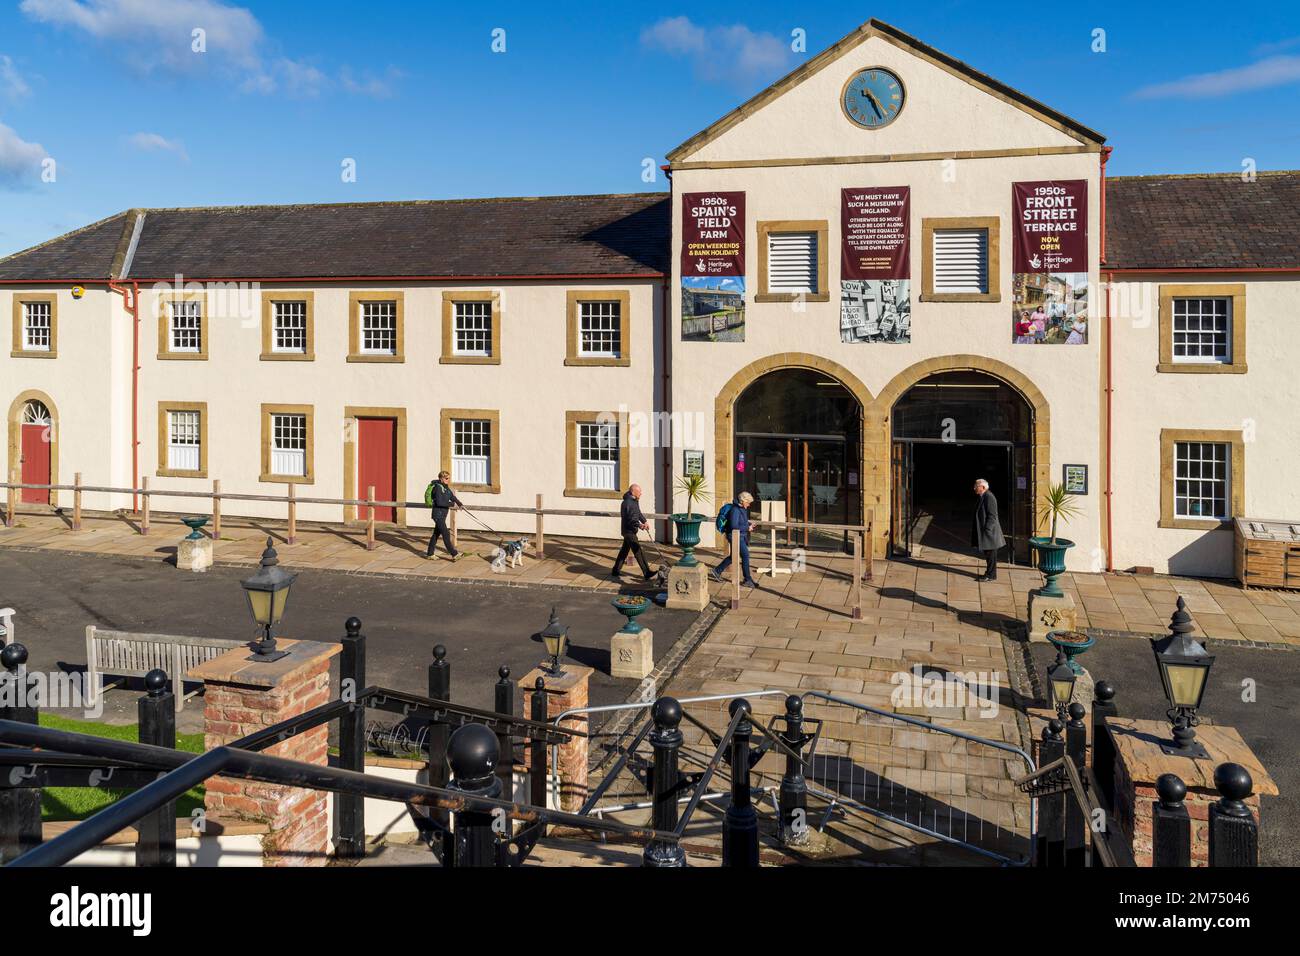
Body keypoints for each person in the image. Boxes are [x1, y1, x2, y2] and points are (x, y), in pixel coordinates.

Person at [714, 491, 759, 587]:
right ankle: (747, 579)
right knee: (745, 556)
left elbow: (741, 521)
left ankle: (717, 570)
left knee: (734, 556)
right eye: (748, 502)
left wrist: (749, 525)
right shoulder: (735, 510)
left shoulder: (742, 509)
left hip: (741, 536)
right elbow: (734, 525)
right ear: (743, 501)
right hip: (735, 536)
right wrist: (747, 528)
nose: (749, 504)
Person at [612, 483, 655, 580]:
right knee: (638, 551)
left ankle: (615, 570)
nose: (641, 493)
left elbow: (638, 513)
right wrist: (641, 526)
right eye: (639, 492)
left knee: (624, 551)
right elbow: (631, 520)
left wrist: (644, 521)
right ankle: (647, 573)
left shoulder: (634, 500)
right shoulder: (628, 503)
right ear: (633, 492)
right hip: (629, 532)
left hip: (629, 531)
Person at [971, 478, 1006, 582]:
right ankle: (990, 574)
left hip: (990, 533)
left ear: (982, 487)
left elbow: (992, 515)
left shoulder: (989, 497)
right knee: (989, 555)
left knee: (991, 555)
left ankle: (990, 575)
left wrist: (987, 530)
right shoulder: (983, 496)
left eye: (976, 486)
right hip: (987, 532)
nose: (974, 488)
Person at [425, 471, 463, 561]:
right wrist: (451, 504)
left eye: (449, 478)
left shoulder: (445, 487)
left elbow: (452, 496)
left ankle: (430, 554)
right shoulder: (438, 488)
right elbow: (439, 502)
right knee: (446, 534)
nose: (448, 480)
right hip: (438, 515)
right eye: (446, 478)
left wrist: (460, 504)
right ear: (441, 478)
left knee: (436, 534)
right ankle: (454, 554)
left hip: (442, 515)